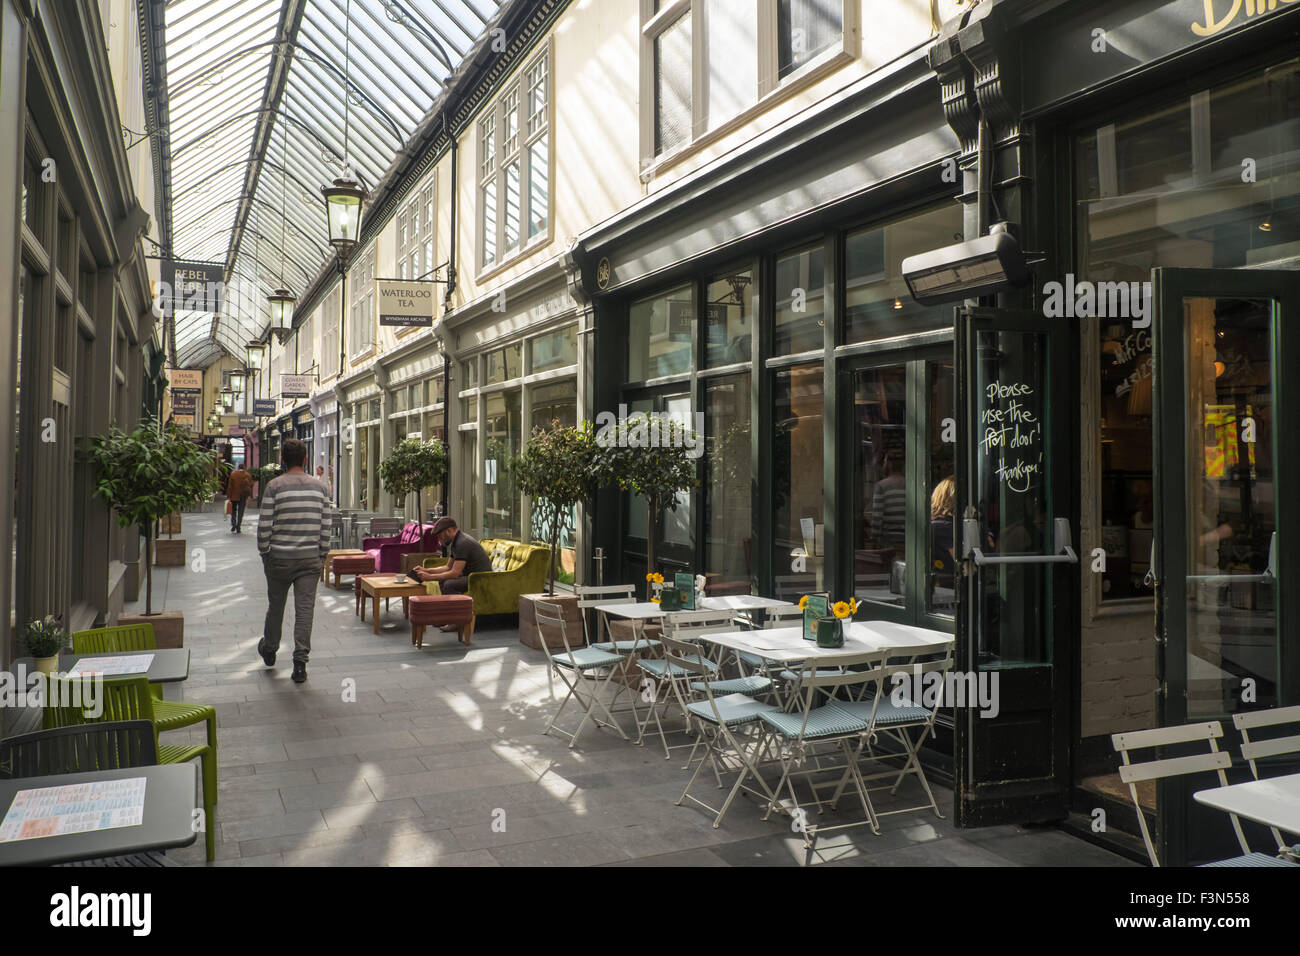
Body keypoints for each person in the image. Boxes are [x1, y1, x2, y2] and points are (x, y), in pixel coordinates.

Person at [256, 438, 330, 683]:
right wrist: (322, 554)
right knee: (305, 609)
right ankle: (300, 662)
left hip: (279, 558)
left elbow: (264, 525)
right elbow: (325, 526)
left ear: (282, 460)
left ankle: (269, 647)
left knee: (275, 605)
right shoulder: (320, 488)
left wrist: (265, 553)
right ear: (306, 459)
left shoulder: (274, 486)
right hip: (309, 560)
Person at [410, 517, 491, 598]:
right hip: (470, 576)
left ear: (448, 531)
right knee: (442, 581)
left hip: (481, 578)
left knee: (449, 584)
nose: (439, 540)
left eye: (439, 536)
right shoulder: (456, 542)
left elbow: (455, 573)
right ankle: (447, 607)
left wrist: (429, 577)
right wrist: (426, 570)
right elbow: (448, 567)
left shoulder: (462, 543)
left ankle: (459, 609)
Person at [226, 463, 254, 534]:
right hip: (243, 495)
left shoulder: (233, 474)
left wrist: (228, 496)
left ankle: (233, 524)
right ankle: (238, 526)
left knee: (233, 510)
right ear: (244, 468)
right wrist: (250, 495)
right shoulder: (248, 475)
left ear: (238, 468)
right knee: (241, 511)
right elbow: (251, 485)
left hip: (234, 495)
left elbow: (230, 486)